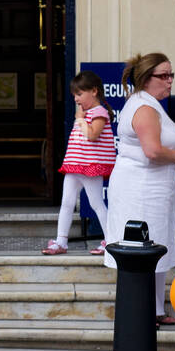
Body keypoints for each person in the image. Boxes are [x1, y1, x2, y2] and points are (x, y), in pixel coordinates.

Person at [102, 53, 175, 326]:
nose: (170, 81)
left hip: (154, 187)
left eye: (171, 75)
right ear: (145, 78)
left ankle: (154, 310)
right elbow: (152, 150)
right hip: (139, 188)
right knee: (142, 249)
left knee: (157, 245)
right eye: (163, 76)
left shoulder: (150, 104)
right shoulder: (144, 107)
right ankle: (139, 311)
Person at [43, 70, 114, 256]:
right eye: (74, 95)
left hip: (90, 166)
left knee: (96, 202)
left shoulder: (99, 112)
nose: (76, 99)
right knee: (66, 203)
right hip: (76, 165)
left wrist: (81, 120)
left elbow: (92, 134)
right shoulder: (87, 113)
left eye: (79, 94)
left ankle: (111, 240)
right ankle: (61, 241)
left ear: (94, 91)